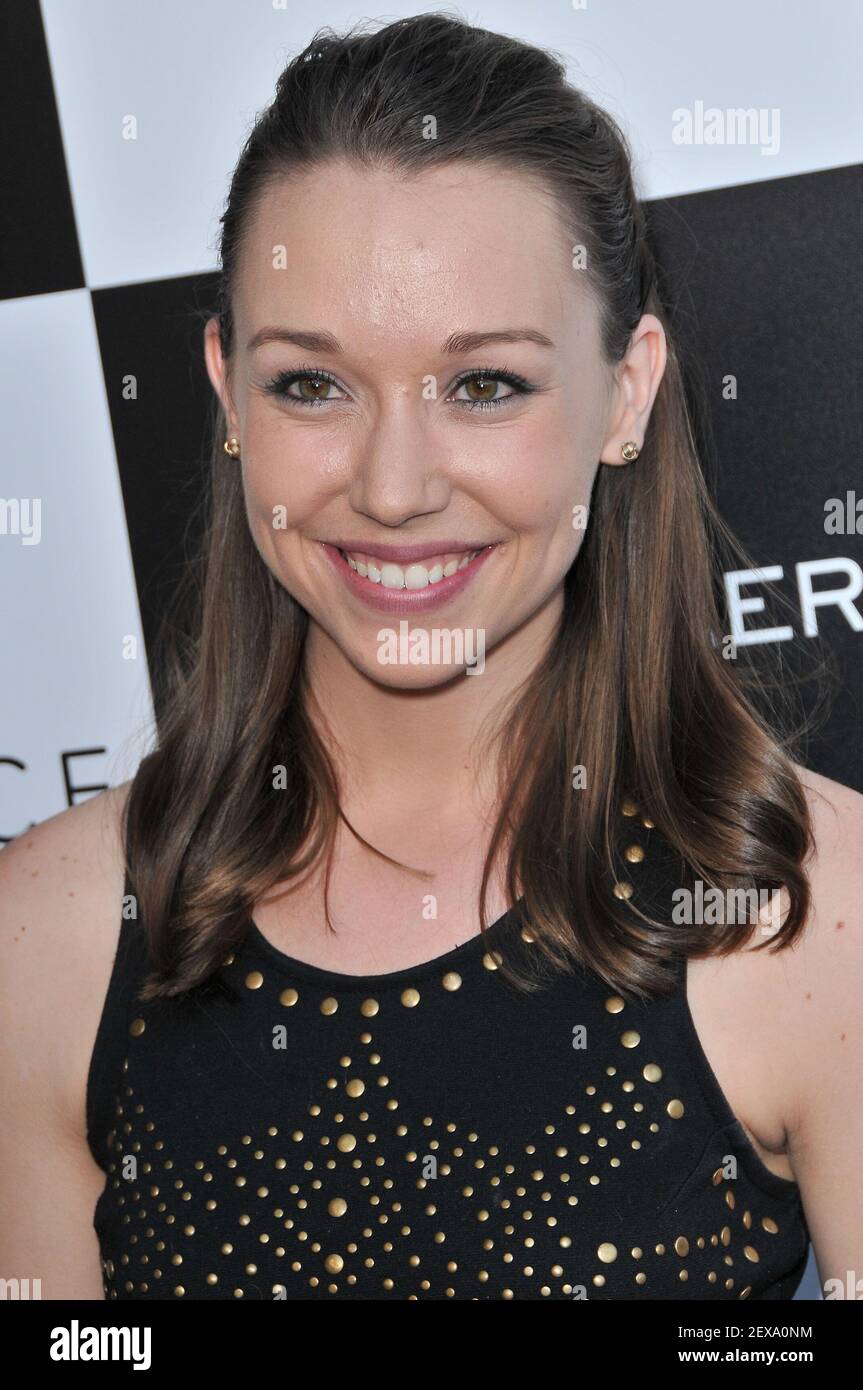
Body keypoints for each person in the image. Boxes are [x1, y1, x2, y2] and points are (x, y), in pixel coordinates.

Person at [1, 12, 861, 1302]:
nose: (394, 489)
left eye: (485, 386)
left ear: (627, 393)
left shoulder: (811, 921)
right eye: (312, 385)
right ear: (227, 390)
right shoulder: (50, 938)